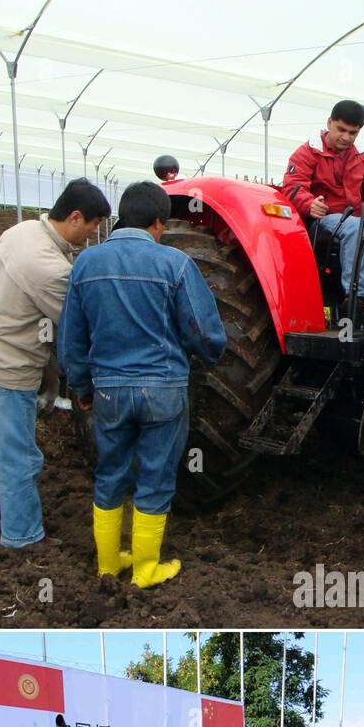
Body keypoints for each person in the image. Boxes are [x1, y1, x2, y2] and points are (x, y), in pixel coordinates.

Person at [57, 181, 226, 589]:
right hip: (162, 392)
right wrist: (207, 354)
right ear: (157, 223)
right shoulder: (175, 264)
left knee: (110, 472)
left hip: (109, 391)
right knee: (155, 476)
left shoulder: (86, 264)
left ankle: (109, 564)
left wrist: (81, 386)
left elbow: (70, 340)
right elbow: (205, 335)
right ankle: (147, 569)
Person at [0, 178, 110, 548]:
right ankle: (22, 535)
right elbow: (78, 325)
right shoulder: (49, 270)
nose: (94, 232)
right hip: (7, 368)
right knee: (20, 455)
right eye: (94, 223)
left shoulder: (22, 231)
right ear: (76, 217)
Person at [281, 100, 364, 310]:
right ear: (329, 123)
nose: (346, 137)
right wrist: (309, 203)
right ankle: (356, 298)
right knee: (355, 227)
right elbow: (293, 187)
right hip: (324, 220)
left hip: (355, 218)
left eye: (353, 133)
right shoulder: (307, 153)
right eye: (341, 130)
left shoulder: (359, 159)